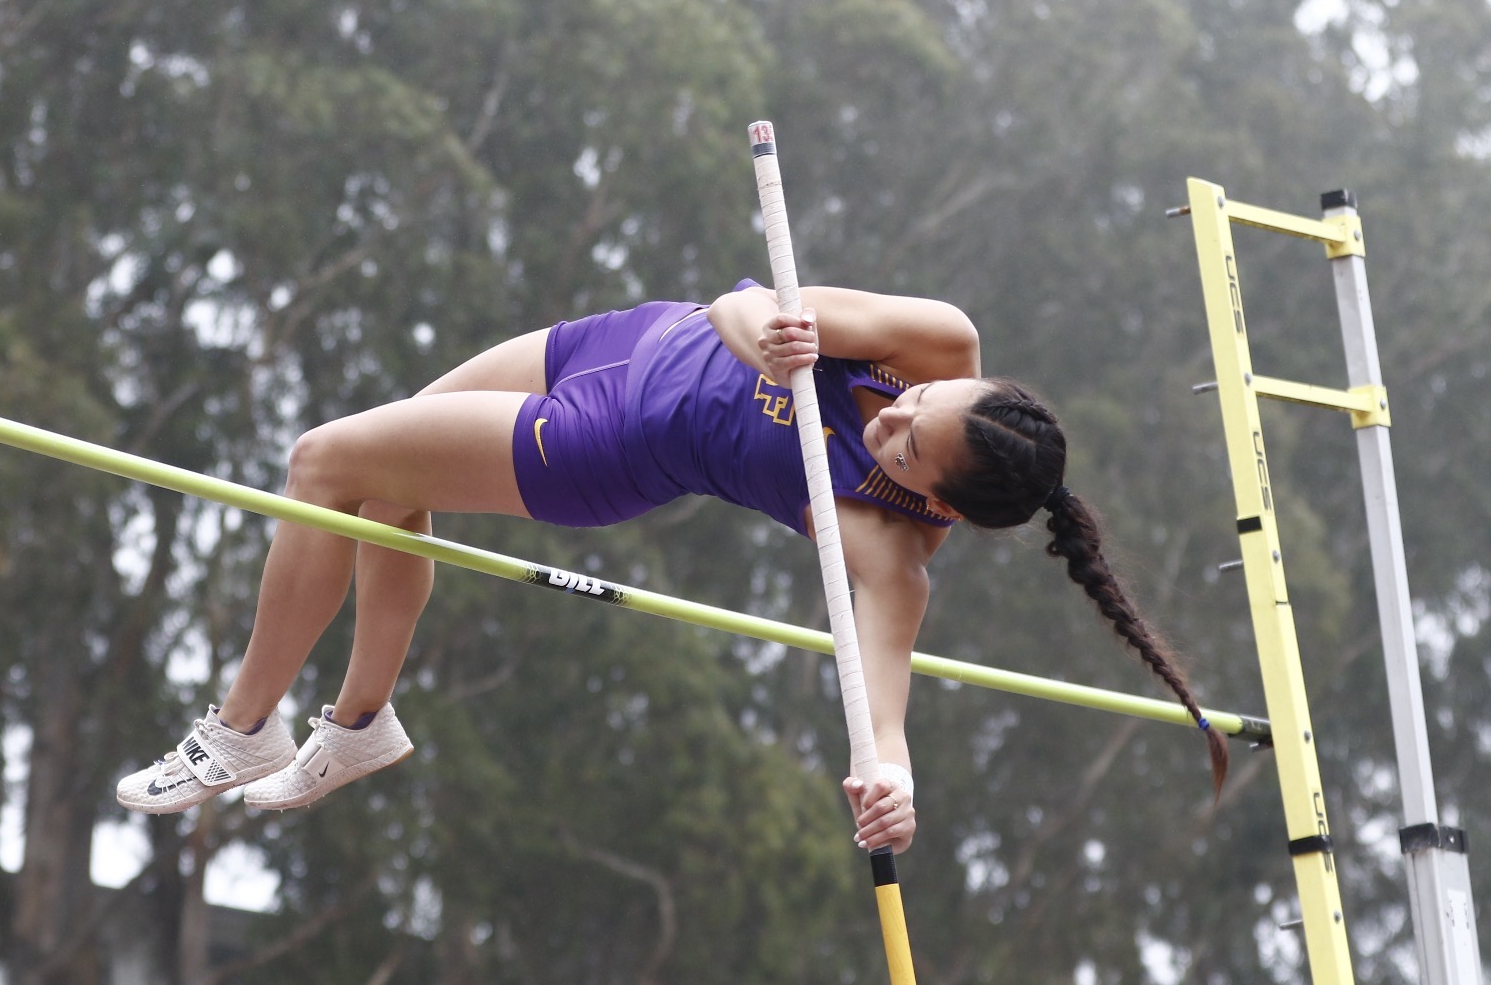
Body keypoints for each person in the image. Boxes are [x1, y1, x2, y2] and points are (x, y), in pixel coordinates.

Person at [115, 280, 1227, 848]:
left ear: (936, 502)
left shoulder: (888, 549)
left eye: (904, 449)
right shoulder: (939, 340)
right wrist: (775, 340)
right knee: (388, 484)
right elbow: (740, 306)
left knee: (323, 462)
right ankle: (360, 725)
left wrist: (893, 784)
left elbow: (881, 709)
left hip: (604, 446)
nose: (891, 417)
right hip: (628, 339)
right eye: (914, 405)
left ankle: (244, 725)